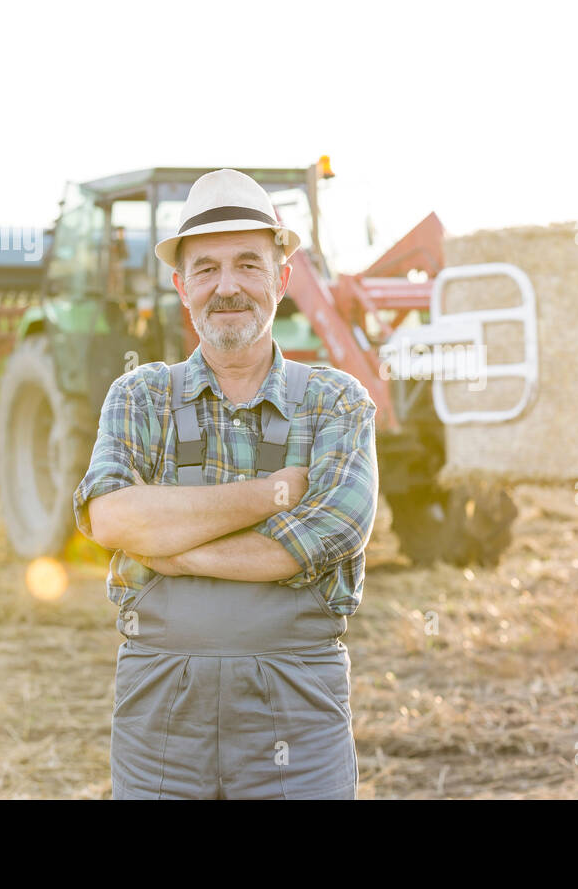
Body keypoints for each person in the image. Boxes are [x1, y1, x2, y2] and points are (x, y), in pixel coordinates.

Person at [72, 168, 378, 799]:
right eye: (206, 269)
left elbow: (323, 537)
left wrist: (167, 548)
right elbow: (109, 520)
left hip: (298, 706)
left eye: (248, 264)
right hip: (162, 715)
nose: (227, 286)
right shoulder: (139, 397)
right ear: (182, 287)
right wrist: (269, 496)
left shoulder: (338, 403)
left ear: (283, 278)